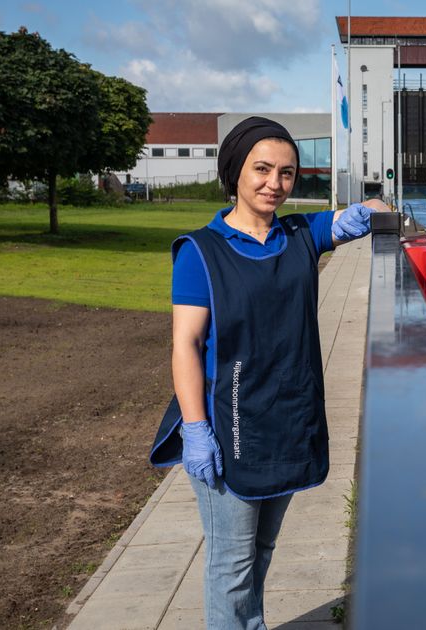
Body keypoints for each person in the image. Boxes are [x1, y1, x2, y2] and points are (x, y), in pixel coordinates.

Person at [148, 116, 387, 629]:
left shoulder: (301, 234)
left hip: (287, 422)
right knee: (231, 566)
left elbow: (357, 216)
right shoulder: (201, 253)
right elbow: (186, 345)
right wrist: (194, 430)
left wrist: (370, 211)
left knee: (262, 550)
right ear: (234, 170)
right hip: (228, 426)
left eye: (286, 173)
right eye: (261, 169)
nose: (273, 184)